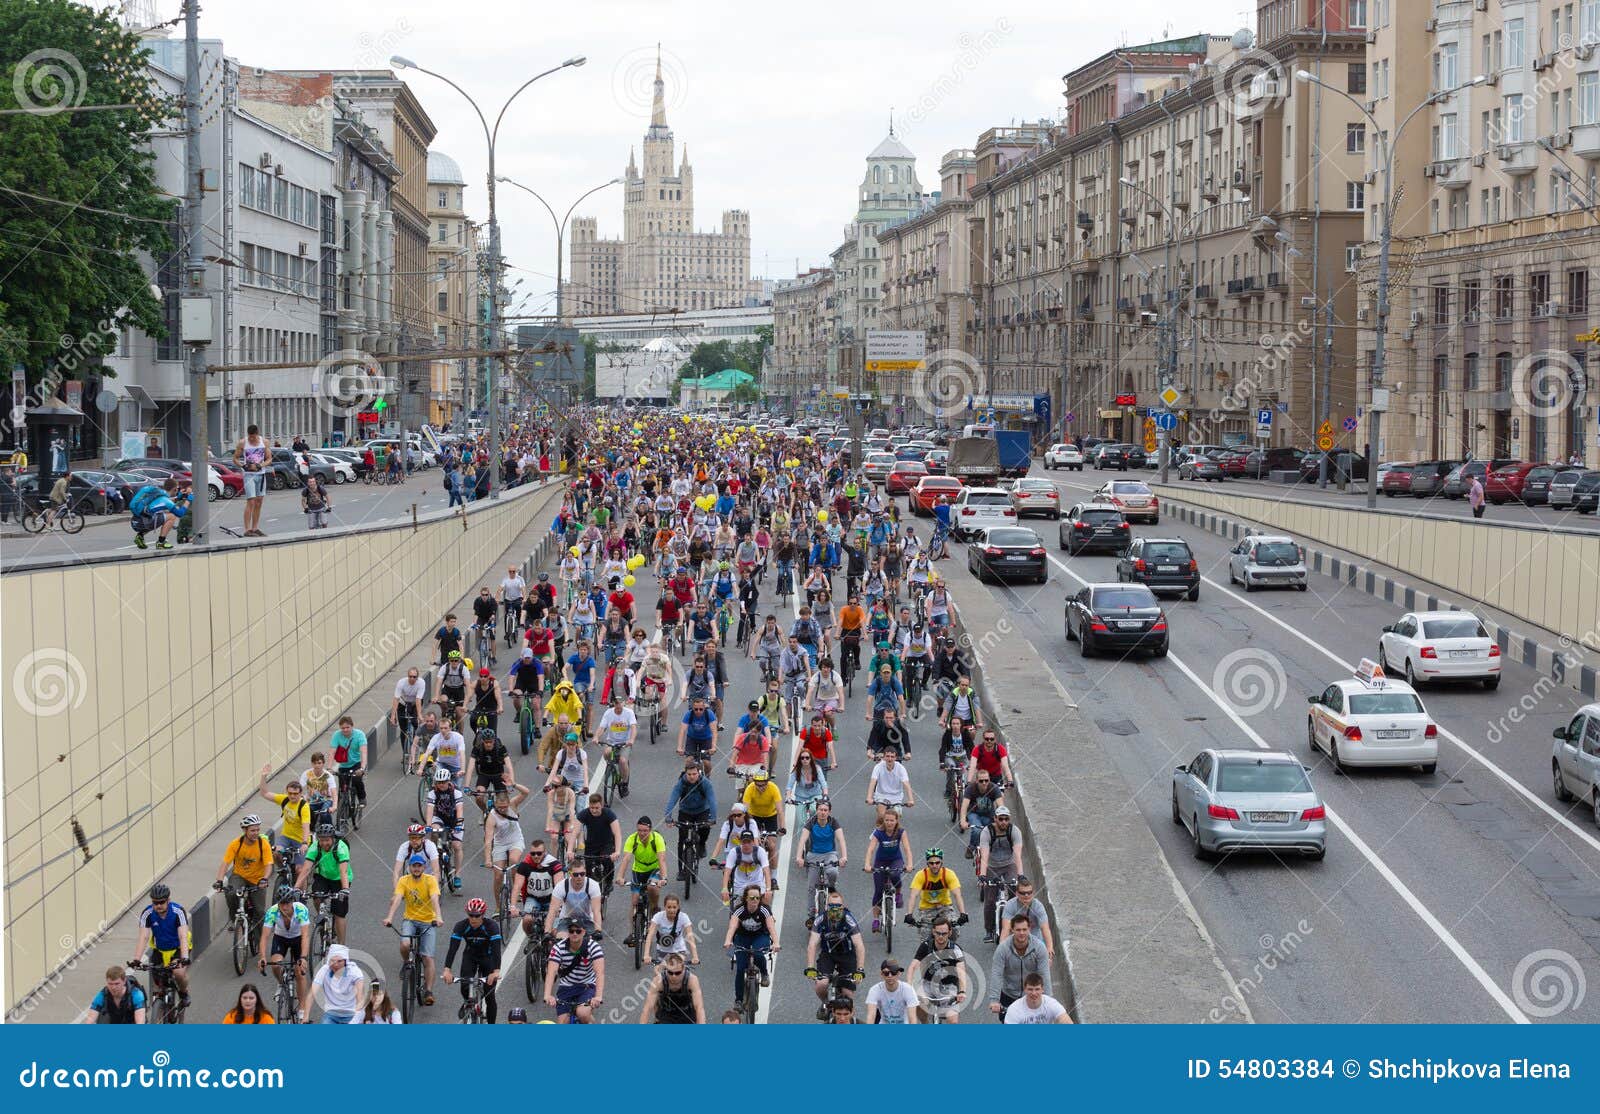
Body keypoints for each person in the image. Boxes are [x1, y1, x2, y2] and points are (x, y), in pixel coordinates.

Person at [383, 853, 443, 1007]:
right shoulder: (403, 880)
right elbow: (397, 898)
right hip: (410, 920)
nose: (416, 868)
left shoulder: (430, 880)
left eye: (419, 866)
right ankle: (406, 962)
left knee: (427, 957)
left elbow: (435, 899)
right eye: (413, 866)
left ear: (424, 867)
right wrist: (389, 917)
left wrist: (438, 917)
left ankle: (428, 991)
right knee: (405, 944)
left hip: (428, 921)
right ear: (409, 867)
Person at [803, 888, 866, 1018]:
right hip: (828, 955)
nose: (835, 909)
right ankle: (826, 1004)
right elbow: (812, 944)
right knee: (821, 984)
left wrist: (860, 969)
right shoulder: (820, 919)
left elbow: (859, 945)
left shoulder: (849, 919)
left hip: (847, 955)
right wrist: (810, 967)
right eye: (831, 905)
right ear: (827, 906)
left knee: (848, 994)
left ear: (843, 906)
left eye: (838, 906)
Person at [441, 898, 504, 1023]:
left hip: (488, 957)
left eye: (477, 916)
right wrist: (447, 970)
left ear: (483, 915)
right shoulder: (461, 926)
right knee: (464, 985)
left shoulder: (491, 926)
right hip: (470, 956)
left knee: (489, 996)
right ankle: (468, 1003)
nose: (473, 919)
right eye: (471, 915)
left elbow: (497, 950)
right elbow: (453, 948)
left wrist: (496, 971)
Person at [213, 813, 273, 939]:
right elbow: (225, 863)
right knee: (231, 893)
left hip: (258, 879)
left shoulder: (263, 844)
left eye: (257, 830)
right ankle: (235, 919)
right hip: (239, 876)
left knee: (259, 911)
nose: (256, 833)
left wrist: (265, 878)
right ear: (245, 830)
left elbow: (268, 865)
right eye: (252, 830)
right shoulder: (236, 844)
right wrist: (219, 881)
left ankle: (260, 942)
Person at [131, 883, 190, 1008]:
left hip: (178, 948)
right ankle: (160, 1006)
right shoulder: (147, 913)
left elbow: (183, 936)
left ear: (168, 900)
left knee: (178, 973)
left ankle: (184, 993)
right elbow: (143, 937)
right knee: (157, 977)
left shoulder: (178, 912)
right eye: (155, 902)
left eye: (162, 902)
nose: (158, 905)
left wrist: (184, 957)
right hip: (160, 949)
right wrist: (136, 959)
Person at [257, 887, 311, 1020]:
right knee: (276, 965)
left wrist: (303, 957)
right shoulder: (272, 911)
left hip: (298, 938)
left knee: (299, 972)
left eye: (287, 903)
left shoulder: (301, 910)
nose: (284, 906)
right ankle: (281, 982)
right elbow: (264, 937)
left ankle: (302, 1007)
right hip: (280, 938)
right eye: (281, 903)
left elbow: (305, 936)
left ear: (292, 901)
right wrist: (262, 957)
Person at [724, 885, 778, 1010]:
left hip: (760, 936)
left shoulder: (764, 910)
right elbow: (732, 927)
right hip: (742, 937)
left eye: (757, 898)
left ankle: (764, 973)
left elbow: (771, 927)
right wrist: (728, 940)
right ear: (746, 898)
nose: (755, 900)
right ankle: (738, 1000)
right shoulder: (739, 910)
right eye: (752, 897)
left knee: (758, 953)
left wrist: (776, 942)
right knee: (740, 968)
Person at [297, 824, 353, 945]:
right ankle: (322, 921)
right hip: (323, 876)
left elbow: (343, 871)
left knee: (339, 913)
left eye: (327, 840)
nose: (324, 843)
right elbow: (306, 869)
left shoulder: (340, 847)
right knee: (316, 897)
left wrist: (344, 889)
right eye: (321, 840)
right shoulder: (315, 846)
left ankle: (341, 945)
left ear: (332, 839)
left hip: (340, 879)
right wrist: (296, 888)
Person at [989, 912, 1052, 1018]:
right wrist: (994, 1000)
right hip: (1009, 995)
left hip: (1031, 995)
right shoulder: (1003, 949)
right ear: (1012, 930)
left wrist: (1048, 1000)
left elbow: (1044, 974)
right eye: (1018, 930)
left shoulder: (1039, 948)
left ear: (1029, 929)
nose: (1021, 933)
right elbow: (997, 974)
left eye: (1024, 929)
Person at [618, 816, 669, 946]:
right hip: (638, 870)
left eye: (645, 830)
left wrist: (664, 878)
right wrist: (620, 877)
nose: (642, 833)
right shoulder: (632, 839)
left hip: (654, 869)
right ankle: (632, 933)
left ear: (650, 830)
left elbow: (662, 860)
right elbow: (626, 859)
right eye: (639, 830)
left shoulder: (657, 839)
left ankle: (655, 907)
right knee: (635, 900)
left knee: (652, 887)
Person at [908, 915, 968, 1023]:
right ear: (933, 932)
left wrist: (962, 991)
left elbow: (961, 971)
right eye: (938, 933)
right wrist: (909, 986)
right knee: (917, 1003)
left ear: (950, 933)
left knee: (953, 1020)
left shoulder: (956, 949)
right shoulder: (926, 946)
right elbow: (913, 966)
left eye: (944, 933)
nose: (941, 936)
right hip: (928, 983)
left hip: (949, 987)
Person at [544, 919, 605, 1023]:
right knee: (563, 1023)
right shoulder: (558, 948)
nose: (574, 933)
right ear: (568, 932)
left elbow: (600, 973)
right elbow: (551, 972)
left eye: (578, 931)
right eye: (571, 931)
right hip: (566, 986)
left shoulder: (593, 947)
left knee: (583, 1013)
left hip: (586, 986)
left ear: (584, 932)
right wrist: (547, 995)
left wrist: (598, 996)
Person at [1000, 876, 1056, 961]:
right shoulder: (1010, 905)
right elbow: (1005, 930)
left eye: (1029, 893)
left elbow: (1045, 928)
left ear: (1033, 893)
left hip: (1036, 940)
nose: (1026, 895)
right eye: (1023, 893)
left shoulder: (1038, 906)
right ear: (1017, 893)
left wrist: (1049, 948)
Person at [640, 951, 705, 1024]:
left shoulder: (692, 980)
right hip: (666, 1016)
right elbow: (647, 1008)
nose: (674, 976)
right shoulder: (658, 981)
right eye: (670, 973)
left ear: (684, 969)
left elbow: (699, 1008)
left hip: (687, 1015)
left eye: (677, 973)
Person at [311, 943, 365, 1024]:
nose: (336, 964)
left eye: (339, 961)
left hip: (351, 1013)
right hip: (331, 1013)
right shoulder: (324, 970)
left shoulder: (355, 972)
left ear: (345, 961)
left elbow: (360, 999)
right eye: (333, 961)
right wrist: (304, 1017)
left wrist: (354, 1021)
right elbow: (312, 994)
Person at [233, 423, 270, 536]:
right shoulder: (243, 442)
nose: (251, 439)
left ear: (257, 434)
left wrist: (260, 465)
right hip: (249, 475)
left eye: (253, 437)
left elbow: (269, 459)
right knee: (251, 500)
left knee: (259, 502)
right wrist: (243, 466)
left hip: (261, 474)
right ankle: (247, 529)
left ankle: (255, 528)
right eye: (250, 437)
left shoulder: (265, 442)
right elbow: (235, 458)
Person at [646, 892, 699, 967]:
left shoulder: (683, 917)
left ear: (678, 907)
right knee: (658, 971)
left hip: (679, 949)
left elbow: (690, 936)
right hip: (662, 950)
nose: (672, 910)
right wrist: (646, 955)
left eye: (674, 907)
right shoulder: (658, 916)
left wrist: (695, 956)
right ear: (665, 907)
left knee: (678, 968)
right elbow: (650, 935)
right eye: (669, 907)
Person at [865, 957, 920, 1024]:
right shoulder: (874, 990)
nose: (890, 976)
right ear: (881, 974)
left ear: (899, 973)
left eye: (893, 972)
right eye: (886, 973)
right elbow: (871, 1016)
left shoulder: (908, 990)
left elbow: (912, 1018)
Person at [866, 747, 913, 823]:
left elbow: (906, 784)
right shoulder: (878, 767)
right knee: (882, 816)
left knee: (895, 819)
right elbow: (873, 782)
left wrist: (911, 799)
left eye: (892, 757)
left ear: (895, 758)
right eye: (887, 756)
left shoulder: (901, 768)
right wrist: (869, 797)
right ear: (884, 757)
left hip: (896, 797)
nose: (890, 759)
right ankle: (879, 829)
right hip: (881, 795)